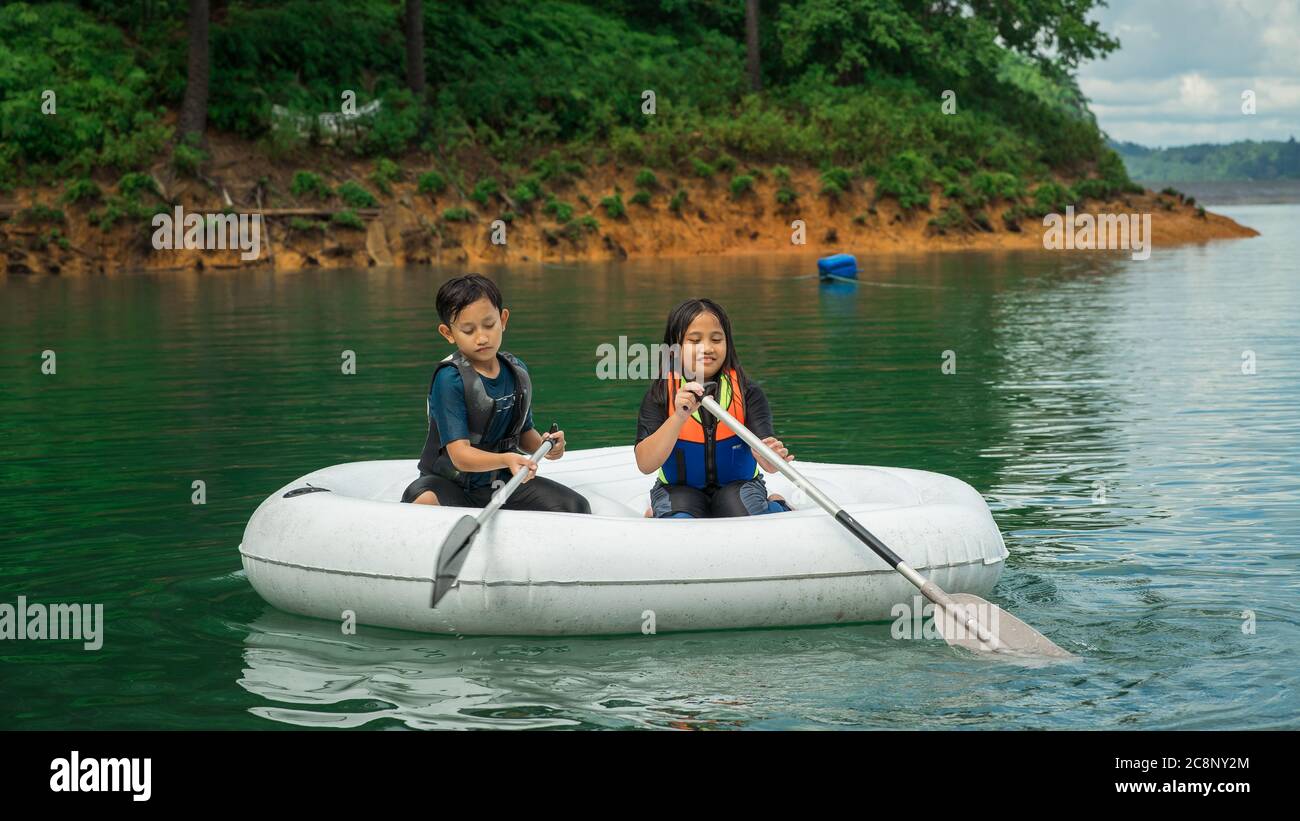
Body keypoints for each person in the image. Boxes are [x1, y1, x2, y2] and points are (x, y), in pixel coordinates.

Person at [401, 274, 590, 514]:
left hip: (498, 483)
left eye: (489, 325)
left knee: (575, 506)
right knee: (425, 498)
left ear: (503, 320)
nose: (482, 337)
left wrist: (547, 445)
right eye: (468, 330)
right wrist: (507, 460)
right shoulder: (449, 379)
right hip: (450, 485)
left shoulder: (516, 371)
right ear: (448, 333)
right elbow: (459, 456)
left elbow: (522, 435)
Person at [633, 297, 793, 518]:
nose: (707, 348)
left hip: (739, 485)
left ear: (728, 344)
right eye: (694, 340)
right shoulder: (659, 395)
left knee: (742, 513)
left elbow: (770, 463)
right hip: (678, 489)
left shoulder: (748, 393)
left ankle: (777, 504)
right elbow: (645, 464)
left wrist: (771, 458)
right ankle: (661, 512)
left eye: (716, 339)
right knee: (679, 521)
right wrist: (678, 417)